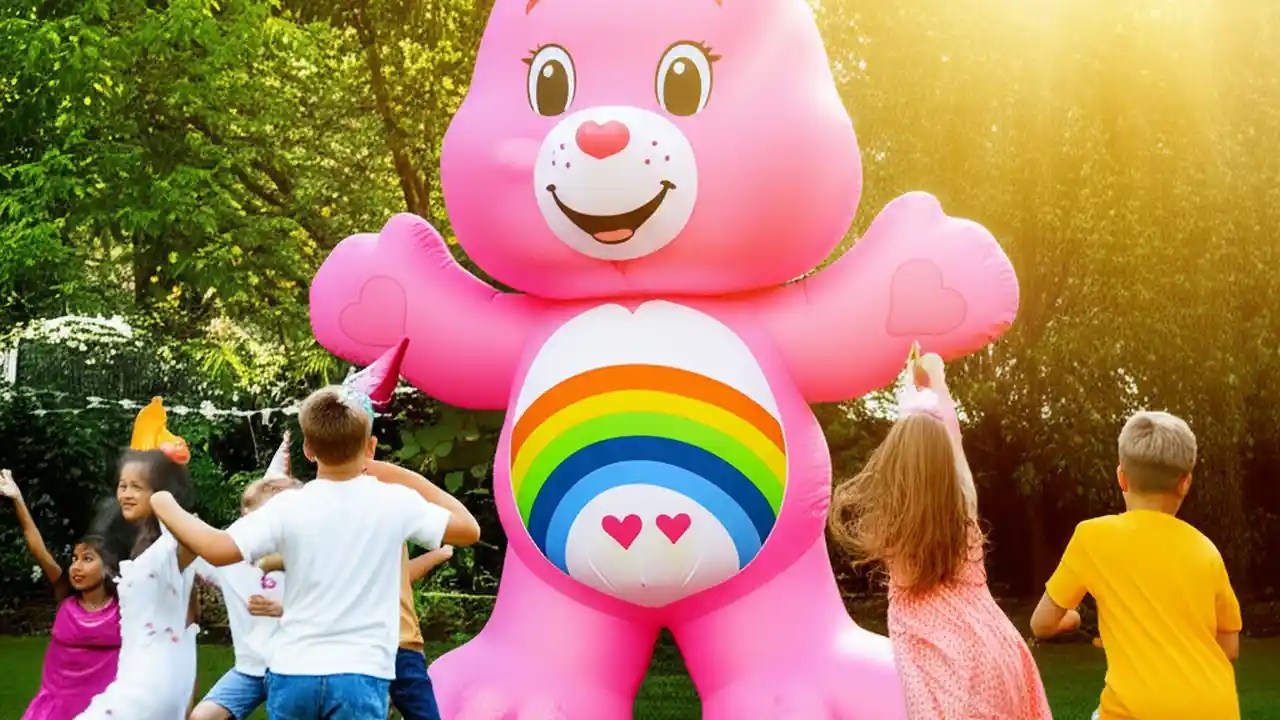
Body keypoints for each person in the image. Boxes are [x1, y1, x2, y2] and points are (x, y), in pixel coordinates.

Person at [151, 385, 481, 719]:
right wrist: (401, 475)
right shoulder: (394, 502)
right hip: (359, 674)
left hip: (293, 672)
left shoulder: (289, 506)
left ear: (308, 449)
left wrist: (164, 503)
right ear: (370, 446)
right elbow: (468, 529)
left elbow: (218, 549)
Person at [829, 352, 1051, 720]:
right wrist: (937, 379)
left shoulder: (895, 527)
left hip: (946, 665)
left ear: (893, 465)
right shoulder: (964, 509)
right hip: (997, 652)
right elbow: (954, 439)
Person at [1030, 411, 1242, 720]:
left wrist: (1071, 620)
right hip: (1217, 710)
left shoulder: (1093, 537)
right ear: (1185, 483)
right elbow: (1229, 648)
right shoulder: (1206, 550)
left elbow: (1041, 624)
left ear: (1121, 477)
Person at [76, 397, 202, 720]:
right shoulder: (141, 544)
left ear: (161, 492)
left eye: (137, 487)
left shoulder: (176, 542)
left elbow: (190, 625)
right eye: (122, 485)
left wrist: (187, 699)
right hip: (137, 679)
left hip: (149, 690)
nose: (125, 494)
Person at [190, 433, 300, 720]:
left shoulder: (306, 556)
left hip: (295, 668)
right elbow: (190, 538)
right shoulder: (229, 557)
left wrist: (283, 610)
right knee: (202, 717)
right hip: (249, 669)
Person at [2, 469, 122, 720]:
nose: (76, 566)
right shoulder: (65, 595)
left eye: (87, 559)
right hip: (54, 709)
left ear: (108, 568)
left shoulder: (124, 607)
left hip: (103, 711)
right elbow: (37, 548)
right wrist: (17, 499)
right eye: (75, 558)